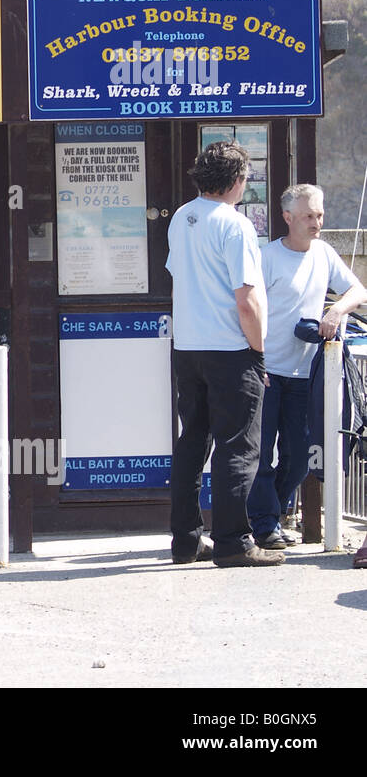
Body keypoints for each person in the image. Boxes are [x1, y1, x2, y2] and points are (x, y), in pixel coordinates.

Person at [166, 141, 281, 566]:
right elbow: (246, 299)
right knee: (238, 447)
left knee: (191, 442)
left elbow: (180, 277)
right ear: (236, 180)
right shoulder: (237, 226)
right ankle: (234, 541)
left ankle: (186, 540)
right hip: (231, 348)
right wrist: (259, 352)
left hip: (188, 346)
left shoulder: (181, 217)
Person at [247, 184, 367, 549]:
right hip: (267, 370)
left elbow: (359, 291)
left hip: (306, 372)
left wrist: (335, 310)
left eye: (320, 214)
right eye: (309, 216)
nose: (317, 222)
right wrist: (254, 360)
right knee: (261, 452)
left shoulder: (325, 253)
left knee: (300, 455)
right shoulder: (265, 257)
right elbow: (245, 310)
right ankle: (265, 525)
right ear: (287, 218)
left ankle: (275, 513)